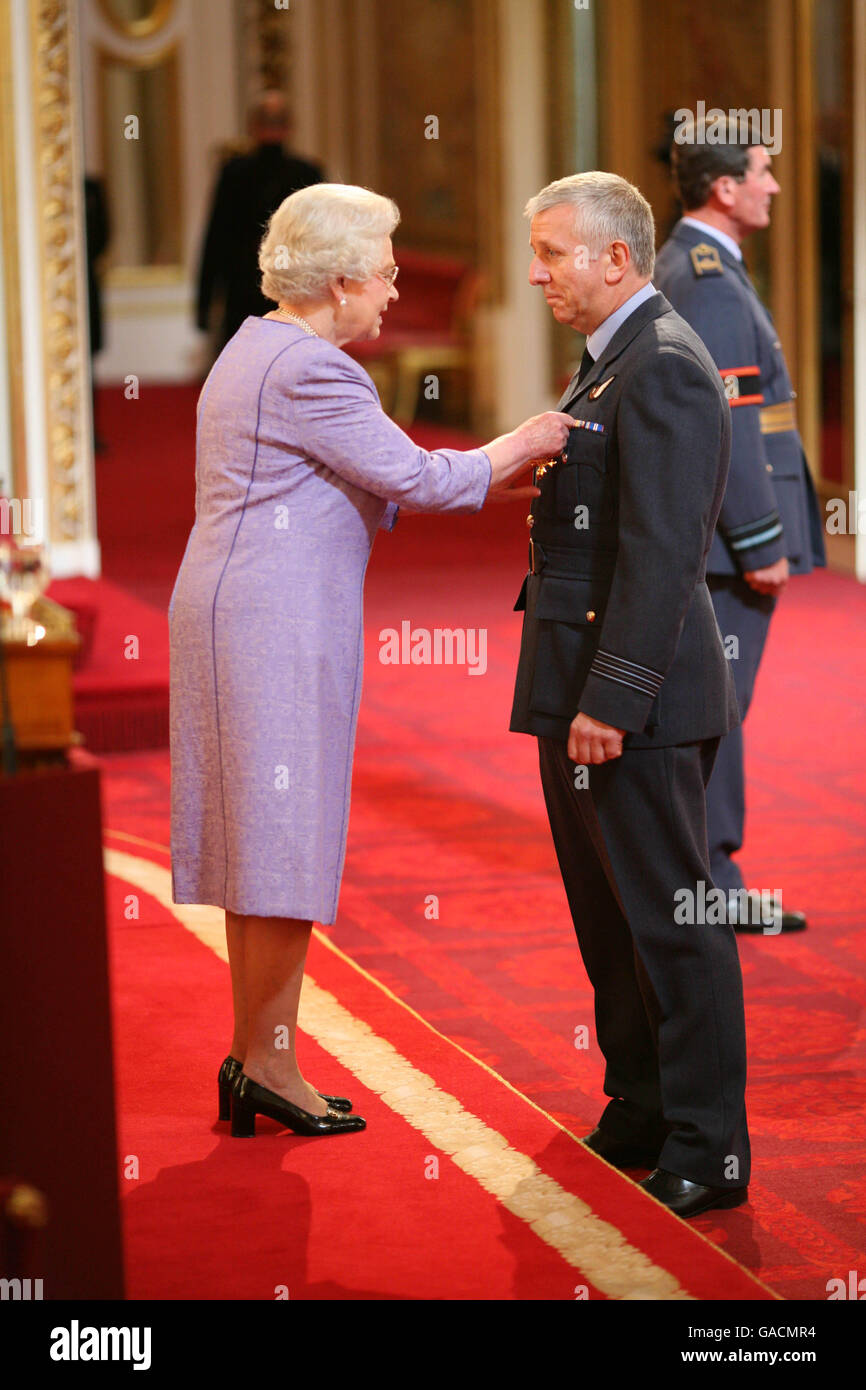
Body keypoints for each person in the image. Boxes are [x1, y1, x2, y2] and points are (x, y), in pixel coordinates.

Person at [169, 182, 575, 1140]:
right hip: (272, 622)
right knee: (280, 837)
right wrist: (524, 442)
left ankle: (256, 1056)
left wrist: (490, 476)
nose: (394, 291)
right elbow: (414, 477)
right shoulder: (315, 370)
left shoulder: (254, 343)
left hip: (238, 610)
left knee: (259, 841)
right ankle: (267, 1061)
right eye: (387, 272)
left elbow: (354, 475)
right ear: (341, 279)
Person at [509, 171, 749, 1217]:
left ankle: (709, 1143)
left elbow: (660, 556)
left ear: (615, 258)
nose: (535, 273)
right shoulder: (610, 361)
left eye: (552, 253)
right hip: (579, 688)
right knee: (607, 920)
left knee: (672, 926)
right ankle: (641, 1103)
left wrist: (610, 699)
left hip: (631, 702)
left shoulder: (661, 365)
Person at [654, 121, 825, 933]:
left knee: (710, 709)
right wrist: (761, 542)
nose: (774, 186)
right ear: (725, 188)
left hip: (713, 541)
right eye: (764, 171)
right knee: (717, 710)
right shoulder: (712, 279)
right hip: (729, 546)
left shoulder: (689, 265)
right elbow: (728, 423)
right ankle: (709, 880)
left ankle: (699, 873)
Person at [195, 91, 324, 350]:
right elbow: (217, 237)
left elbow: (216, 239)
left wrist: (205, 303)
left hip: (283, 290)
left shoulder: (305, 172)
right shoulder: (237, 173)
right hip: (261, 290)